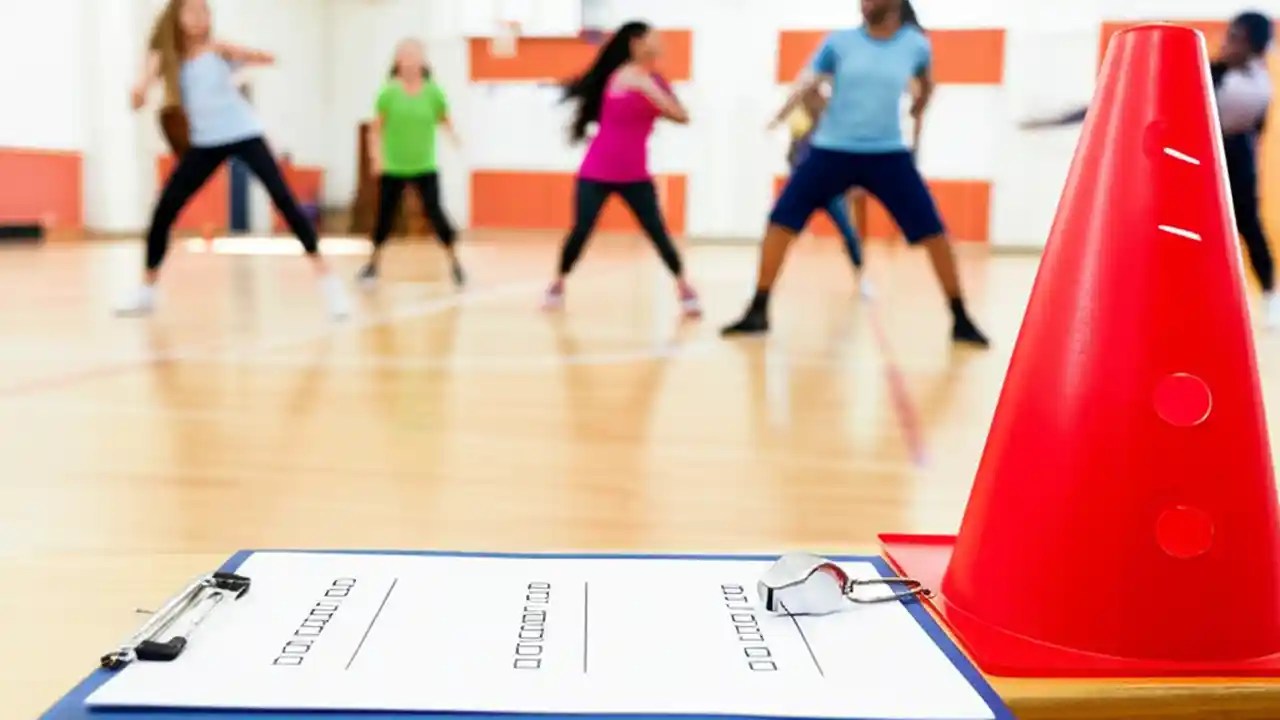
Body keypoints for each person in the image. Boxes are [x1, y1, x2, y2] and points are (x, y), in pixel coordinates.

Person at [723, 0, 988, 345]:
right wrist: (780, 115)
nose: (864, 3)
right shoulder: (839, 42)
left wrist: (920, 109)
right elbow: (807, 82)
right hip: (831, 150)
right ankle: (757, 310)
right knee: (780, 221)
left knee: (934, 232)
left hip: (887, 154)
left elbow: (927, 83)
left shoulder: (915, 45)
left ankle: (961, 318)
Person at [1022, 12, 1276, 328]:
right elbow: (1117, 101)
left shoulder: (1262, 79)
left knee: (1249, 226)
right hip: (1201, 158)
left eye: (1237, 38)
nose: (1227, 44)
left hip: (1238, 158)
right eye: (1229, 36)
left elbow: (1258, 126)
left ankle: (1269, 295)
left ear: (1255, 45)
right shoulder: (1210, 73)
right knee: (1183, 230)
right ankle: (1166, 298)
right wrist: (1052, 120)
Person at [119, 0, 350, 319]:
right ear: (177, 16)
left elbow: (267, 58)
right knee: (164, 209)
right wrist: (139, 92)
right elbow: (139, 92)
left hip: (244, 132)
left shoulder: (218, 48)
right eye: (193, 12)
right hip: (204, 143)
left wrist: (247, 60)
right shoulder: (166, 55)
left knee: (283, 199)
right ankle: (146, 290)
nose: (201, 18)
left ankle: (330, 285)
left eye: (205, 12)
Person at [544, 21, 702, 318]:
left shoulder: (656, 82)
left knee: (656, 230)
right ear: (636, 43)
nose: (660, 41)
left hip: (635, 175)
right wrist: (640, 84)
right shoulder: (615, 77)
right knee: (582, 229)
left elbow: (682, 116)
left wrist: (649, 88)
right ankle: (558, 282)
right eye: (653, 36)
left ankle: (683, 287)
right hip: (596, 171)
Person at [359, 38, 465, 289]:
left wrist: (455, 137)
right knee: (384, 217)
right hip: (394, 165)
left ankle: (455, 263)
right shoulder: (388, 93)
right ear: (398, 61)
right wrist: (376, 158)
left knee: (436, 214)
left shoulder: (433, 92)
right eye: (406, 56)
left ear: (423, 61)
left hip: (424, 165)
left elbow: (444, 118)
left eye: (415, 55)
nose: (411, 61)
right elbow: (375, 129)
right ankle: (372, 264)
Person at [779, 85, 872, 298]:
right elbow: (791, 156)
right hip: (806, 187)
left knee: (849, 233)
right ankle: (768, 284)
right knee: (780, 230)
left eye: (818, 98)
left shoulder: (832, 126)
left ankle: (861, 277)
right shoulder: (800, 126)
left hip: (831, 189)